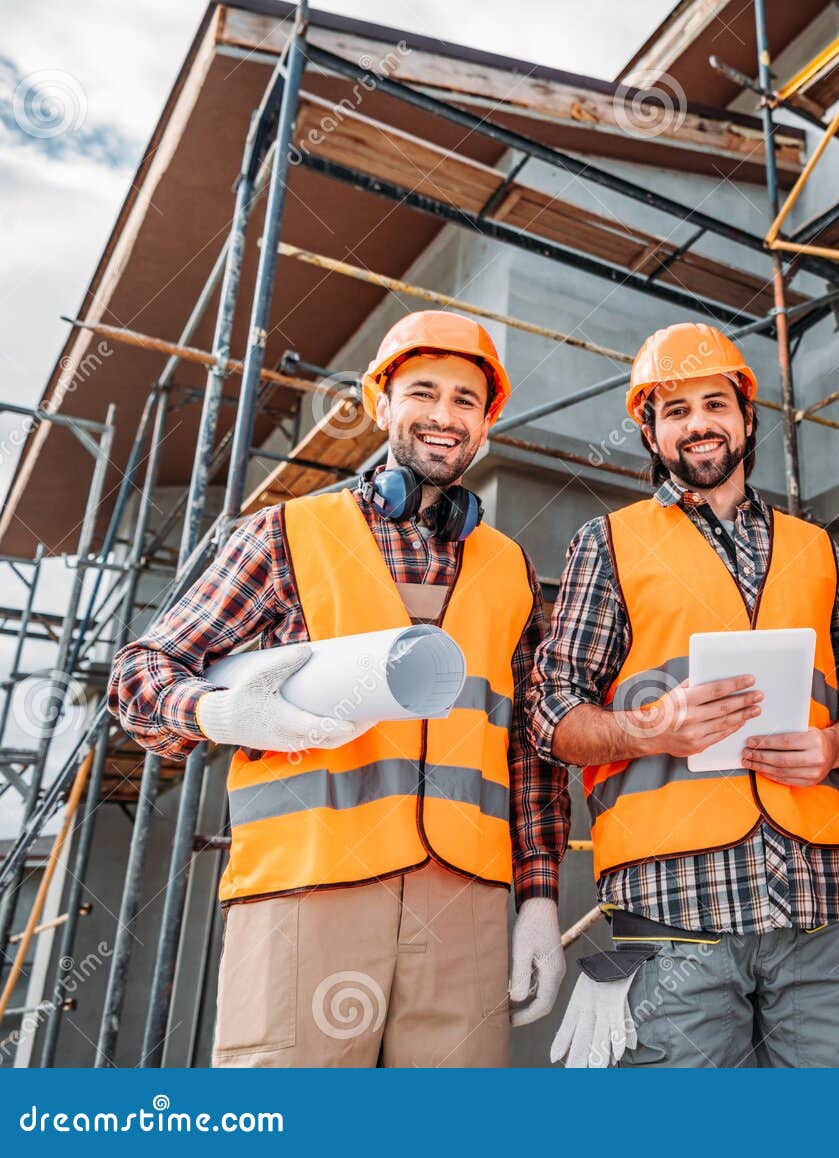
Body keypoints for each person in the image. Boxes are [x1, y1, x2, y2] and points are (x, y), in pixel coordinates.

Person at [109, 310, 570, 1066]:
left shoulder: (510, 567)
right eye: (424, 393)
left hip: (464, 907)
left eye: (467, 400)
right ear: (382, 404)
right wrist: (220, 713)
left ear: (486, 422)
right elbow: (139, 676)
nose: (445, 417)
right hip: (309, 891)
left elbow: (526, 753)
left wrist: (541, 901)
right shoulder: (286, 534)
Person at [534, 322, 839, 1068]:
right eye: (675, 410)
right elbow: (551, 712)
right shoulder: (610, 542)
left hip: (820, 909)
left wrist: (833, 744)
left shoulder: (816, 547)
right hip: (673, 915)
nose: (699, 424)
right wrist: (649, 730)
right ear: (650, 430)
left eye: (714, 403)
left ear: (746, 415)